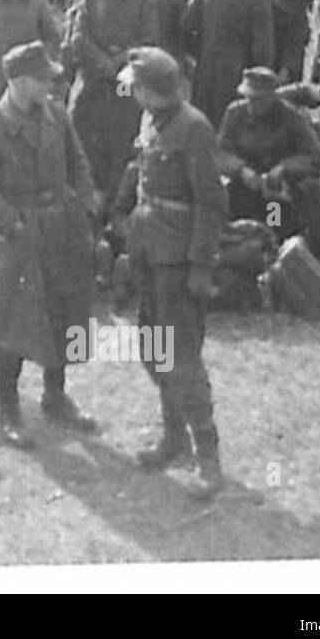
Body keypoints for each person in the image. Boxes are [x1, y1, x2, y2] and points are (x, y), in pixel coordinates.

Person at [0, 42, 99, 447]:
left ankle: (55, 396)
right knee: (14, 324)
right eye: (43, 79)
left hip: (62, 229)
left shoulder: (57, 114)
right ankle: (8, 408)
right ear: (19, 82)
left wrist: (84, 206)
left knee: (64, 311)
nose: (51, 84)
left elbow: (79, 165)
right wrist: (12, 223)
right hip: (18, 241)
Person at [112, 47, 227, 501]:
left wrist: (200, 265)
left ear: (151, 89)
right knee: (154, 351)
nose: (131, 91)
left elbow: (211, 203)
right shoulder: (151, 120)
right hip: (150, 254)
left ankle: (208, 457)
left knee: (182, 360)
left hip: (178, 262)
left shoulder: (194, 128)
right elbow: (141, 172)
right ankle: (173, 437)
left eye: (136, 85)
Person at [68, 0, 152, 216]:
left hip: (124, 85)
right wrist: (101, 60)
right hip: (93, 82)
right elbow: (78, 36)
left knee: (122, 139)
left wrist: (120, 60)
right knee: (80, 134)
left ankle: (116, 206)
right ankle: (85, 203)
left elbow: (149, 40)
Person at [216, 68, 320, 258]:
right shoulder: (235, 113)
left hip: (276, 191)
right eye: (249, 98)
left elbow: (317, 157)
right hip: (243, 185)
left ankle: (273, 247)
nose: (252, 104)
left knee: (274, 220)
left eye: (259, 99)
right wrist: (241, 169)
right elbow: (220, 152)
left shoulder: (291, 117)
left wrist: (284, 168)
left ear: (272, 97)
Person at [181, 0, 276, 129]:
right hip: (238, 73)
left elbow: (186, 26)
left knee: (201, 122)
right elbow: (262, 48)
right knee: (231, 124)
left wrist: (198, 53)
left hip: (205, 67)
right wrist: (264, 74)